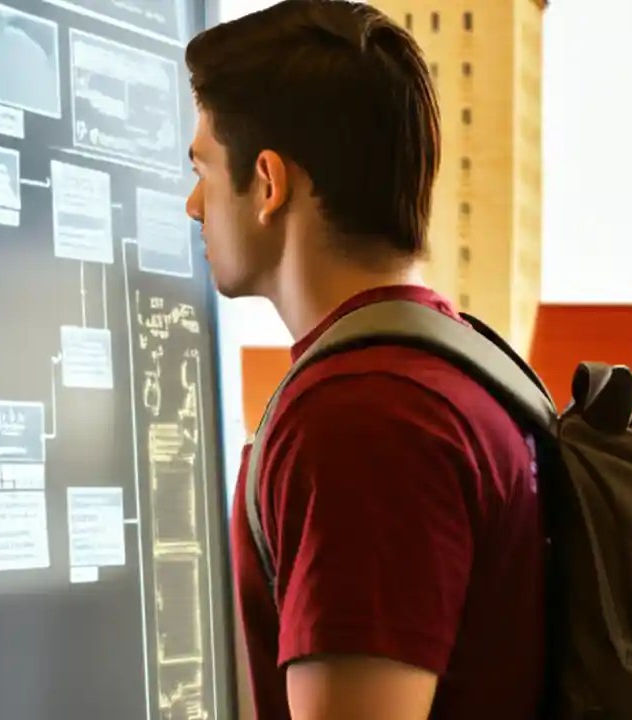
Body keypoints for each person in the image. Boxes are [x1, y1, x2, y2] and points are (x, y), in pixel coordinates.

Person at [184, 2, 544, 719]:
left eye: (203, 168)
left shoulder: (360, 422)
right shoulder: (452, 373)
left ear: (268, 183)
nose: (195, 204)